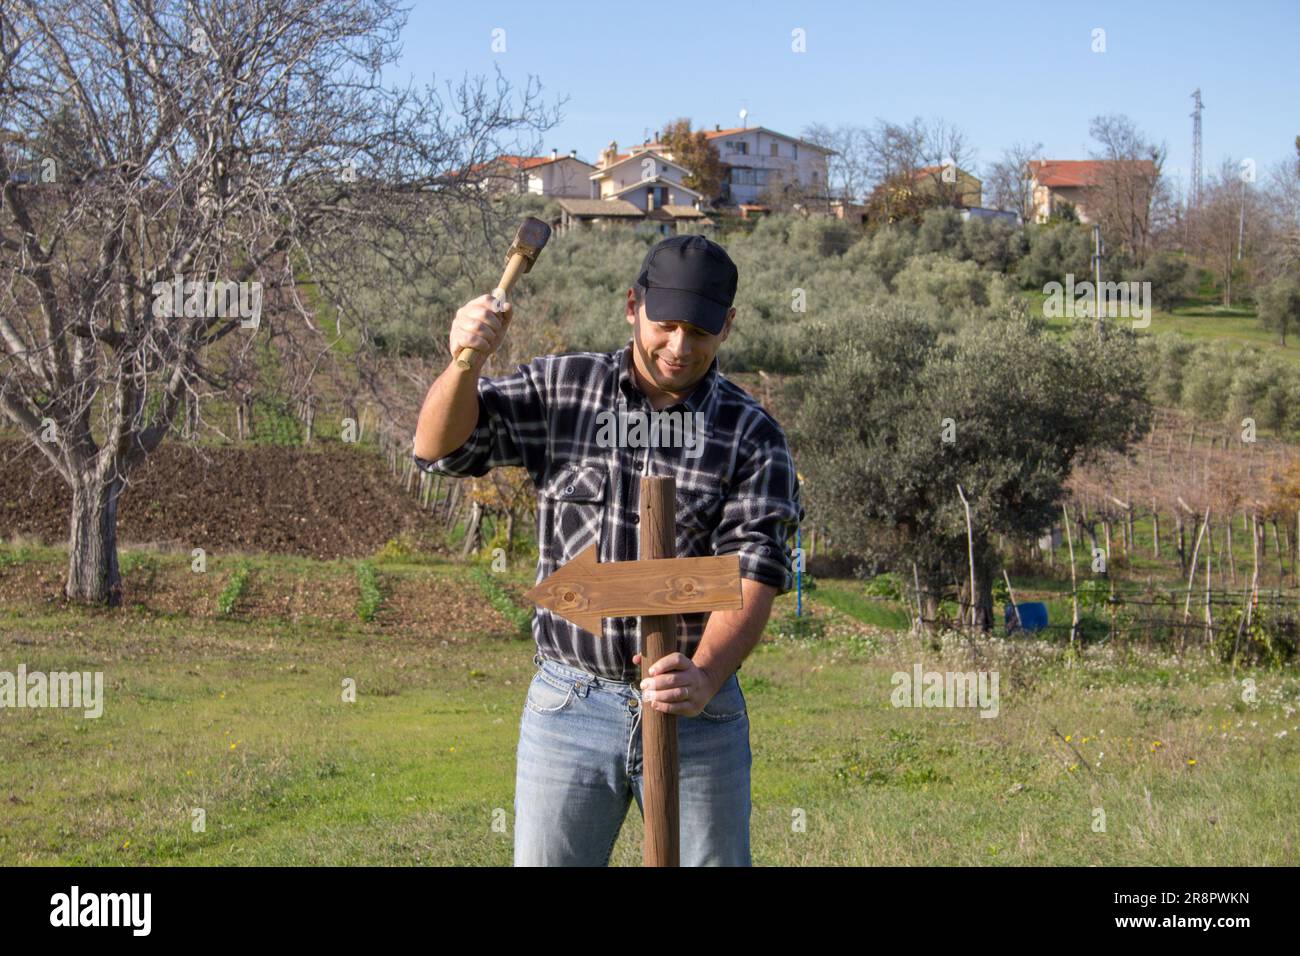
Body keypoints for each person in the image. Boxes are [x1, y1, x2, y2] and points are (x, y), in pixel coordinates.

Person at [412, 234, 802, 866]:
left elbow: (752, 570)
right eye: (666, 324)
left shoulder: (751, 435)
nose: (680, 347)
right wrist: (464, 363)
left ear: (727, 325)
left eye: (700, 330)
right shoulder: (564, 390)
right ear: (632, 305)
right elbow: (439, 449)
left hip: (696, 711)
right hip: (571, 704)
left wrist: (702, 676)